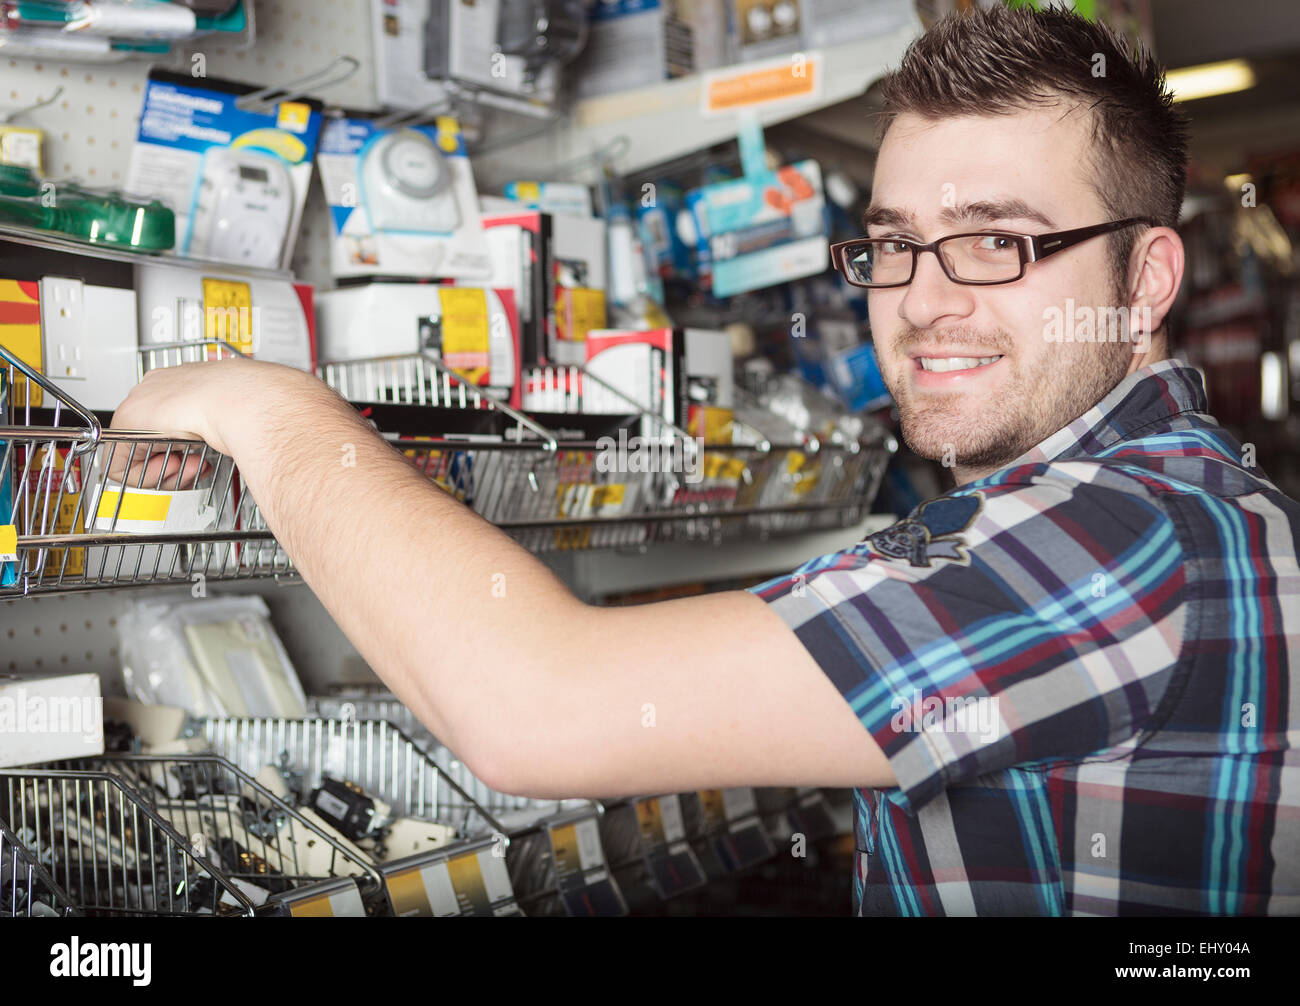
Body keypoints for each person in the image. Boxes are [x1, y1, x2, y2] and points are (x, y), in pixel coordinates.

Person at [111, 4, 1300, 916]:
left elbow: (539, 708)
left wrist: (258, 402)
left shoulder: (1112, 539)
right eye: (895, 245)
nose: (926, 300)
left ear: (1145, 276)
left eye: (998, 240)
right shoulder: (1194, 507)